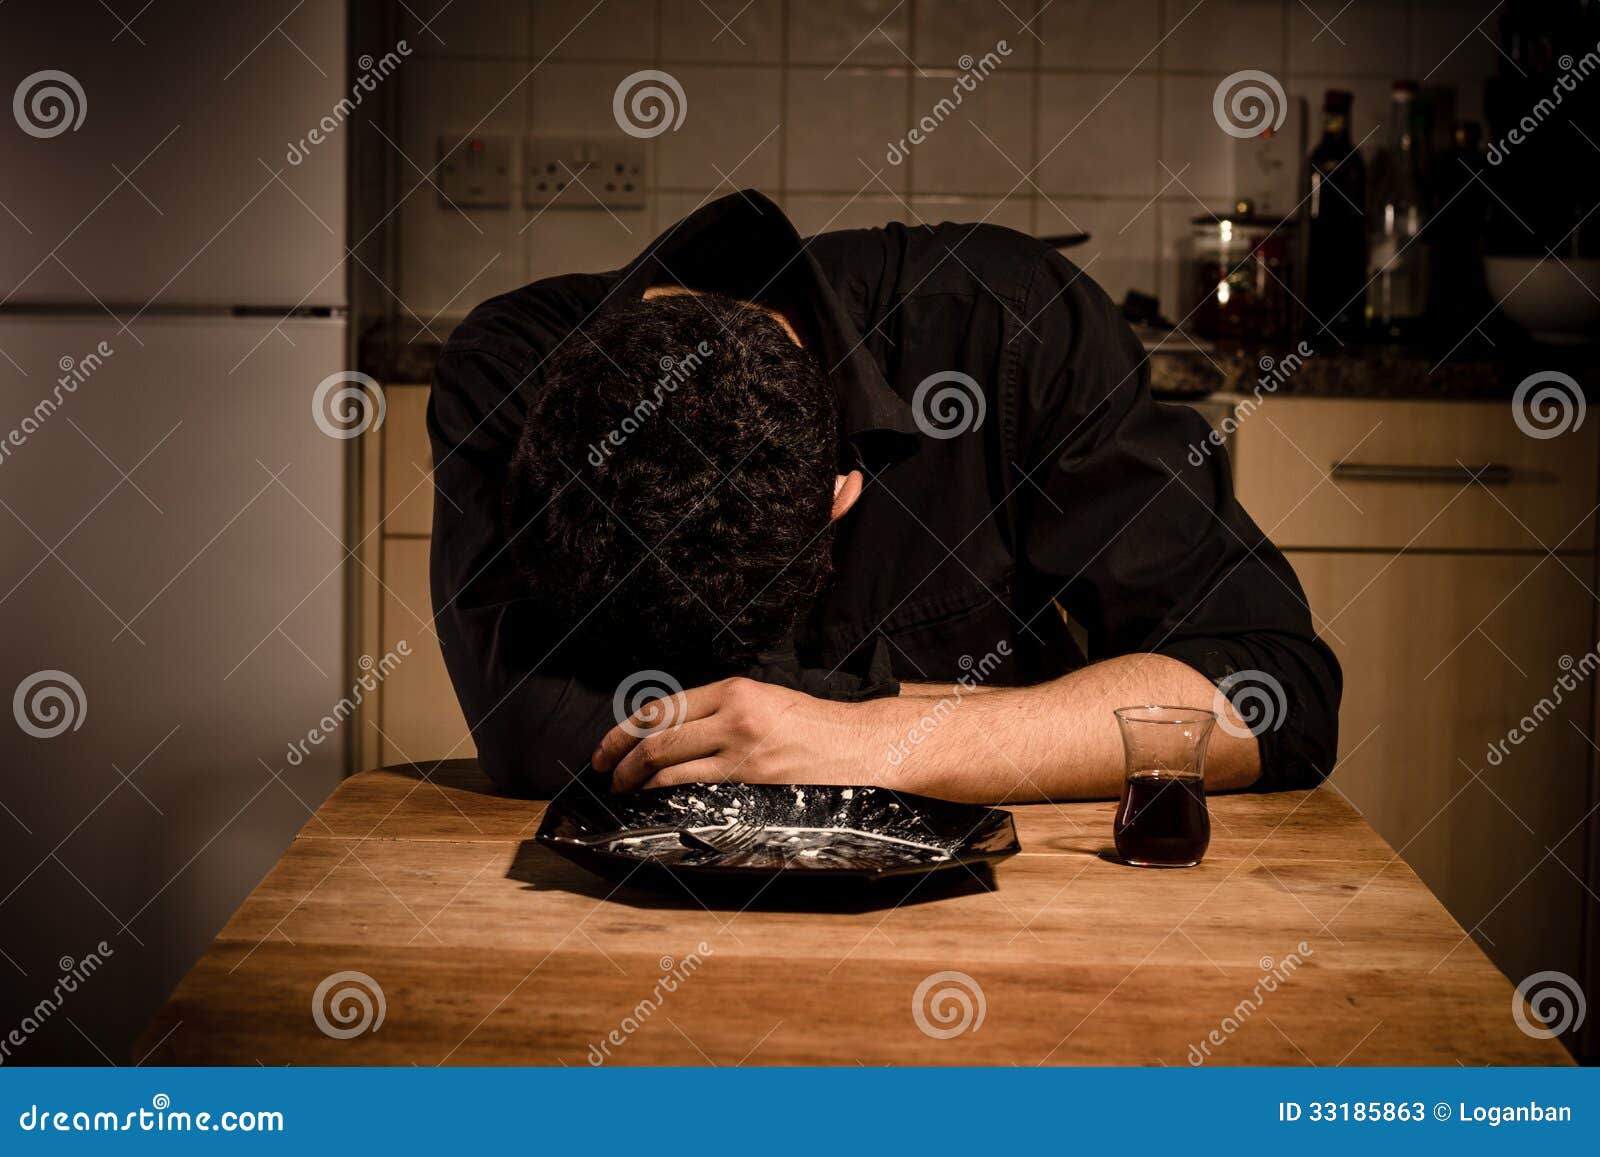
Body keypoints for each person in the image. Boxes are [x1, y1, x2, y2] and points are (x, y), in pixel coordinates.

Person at [428, 190, 1341, 801]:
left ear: (843, 487)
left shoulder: (1013, 324)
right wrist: (1026, 723)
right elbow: (533, 727)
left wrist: (883, 741)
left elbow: (1271, 693)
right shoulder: (515, 371)